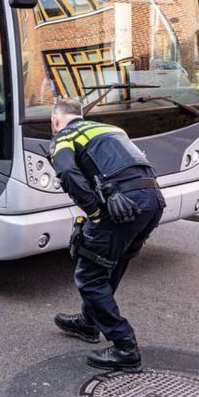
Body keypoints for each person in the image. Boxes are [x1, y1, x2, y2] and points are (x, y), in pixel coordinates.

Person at [49, 98, 166, 370]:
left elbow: (67, 172)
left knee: (88, 275)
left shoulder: (64, 137)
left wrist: (94, 212)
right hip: (152, 200)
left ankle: (125, 345)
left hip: (120, 206)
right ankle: (89, 323)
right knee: (112, 263)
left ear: (57, 121)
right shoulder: (110, 129)